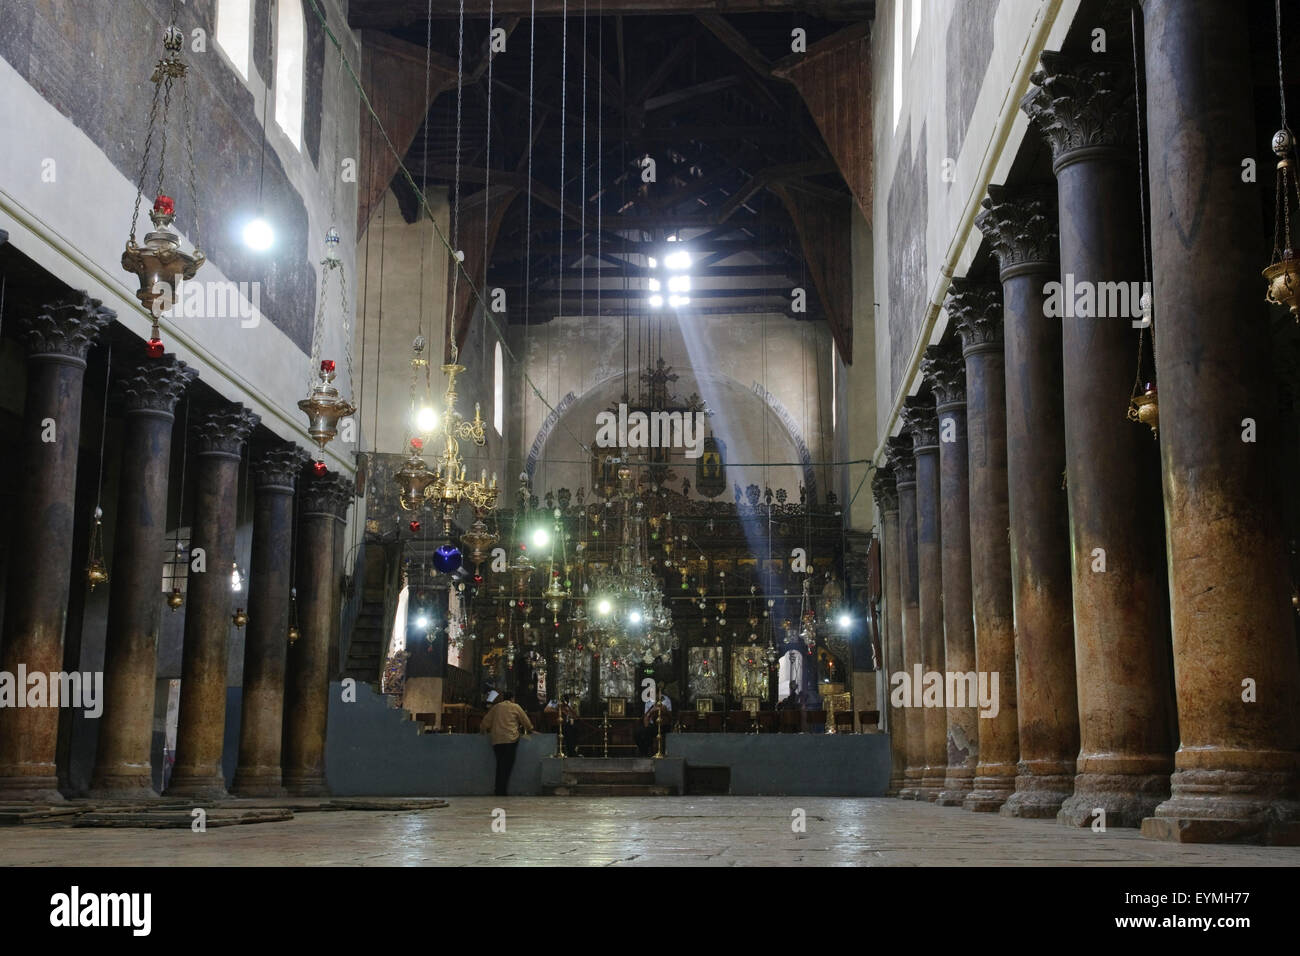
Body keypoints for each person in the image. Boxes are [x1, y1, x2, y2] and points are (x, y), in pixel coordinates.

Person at [480, 691, 534, 796]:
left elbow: (485, 722)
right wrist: (530, 729)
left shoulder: (496, 707)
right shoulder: (515, 707)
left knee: (500, 764)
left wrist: (482, 731)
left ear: (503, 698)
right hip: (510, 739)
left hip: (497, 740)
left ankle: (498, 789)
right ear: (512, 698)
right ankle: (502, 790)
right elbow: (526, 721)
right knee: (507, 766)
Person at [635, 692, 672, 757]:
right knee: (639, 732)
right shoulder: (649, 701)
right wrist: (652, 711)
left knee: (648, 732)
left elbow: (670, 716)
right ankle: (644, 752)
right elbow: (646, 718)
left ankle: (651, 753)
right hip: (652, 726)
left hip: (663, 725)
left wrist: (664, 710)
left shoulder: (666, 699)